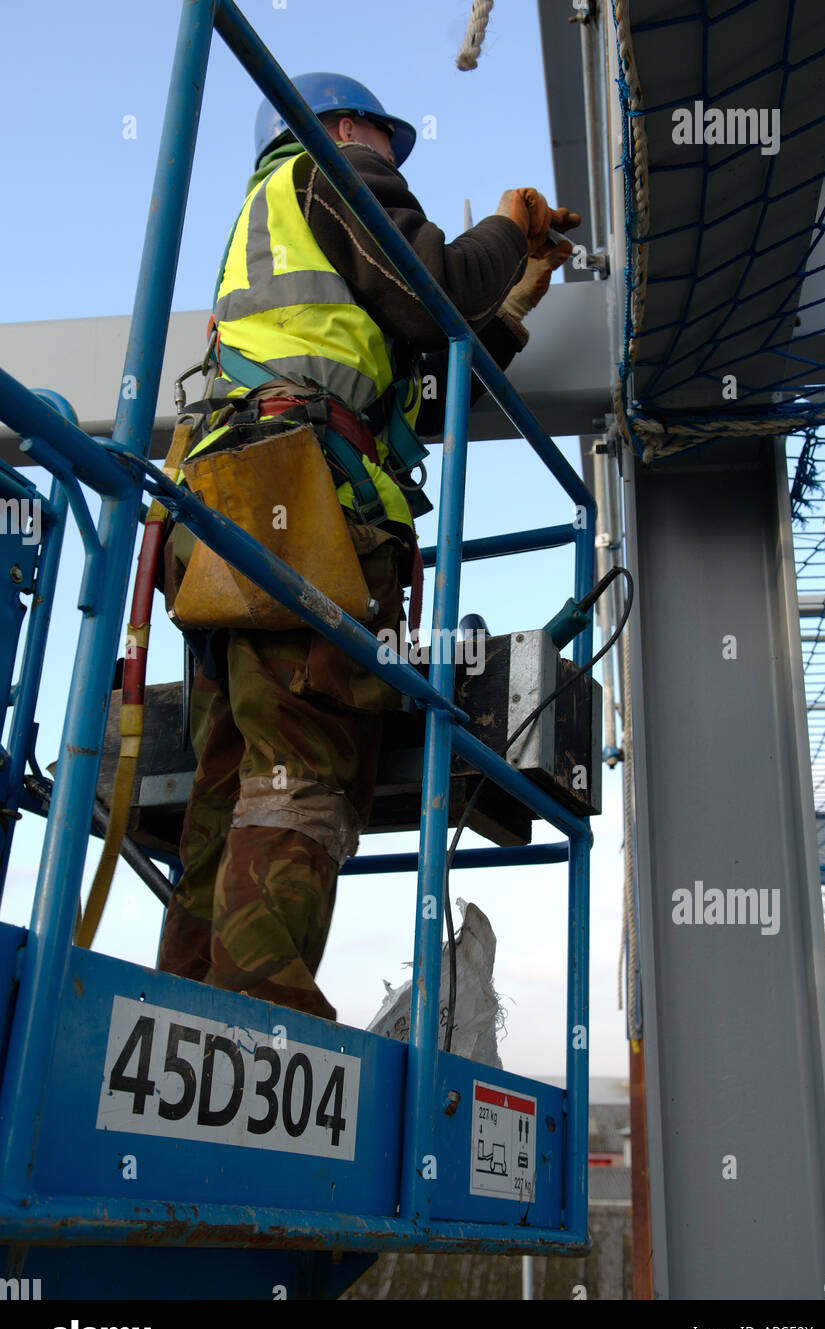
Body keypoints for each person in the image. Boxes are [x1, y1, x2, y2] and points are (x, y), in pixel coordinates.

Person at [157, 72, 578, 1019]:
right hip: (301, 510)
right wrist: (508, 227)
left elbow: (425, 386)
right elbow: (427, 287)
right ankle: (263, 1026)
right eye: (387, 138)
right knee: (300, 767)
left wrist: (509, 301)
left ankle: (178, 1015)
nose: (389, 158)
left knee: (228, 781)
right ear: (344, 124)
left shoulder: (281, 237)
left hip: (240, 506)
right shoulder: (326, 164)